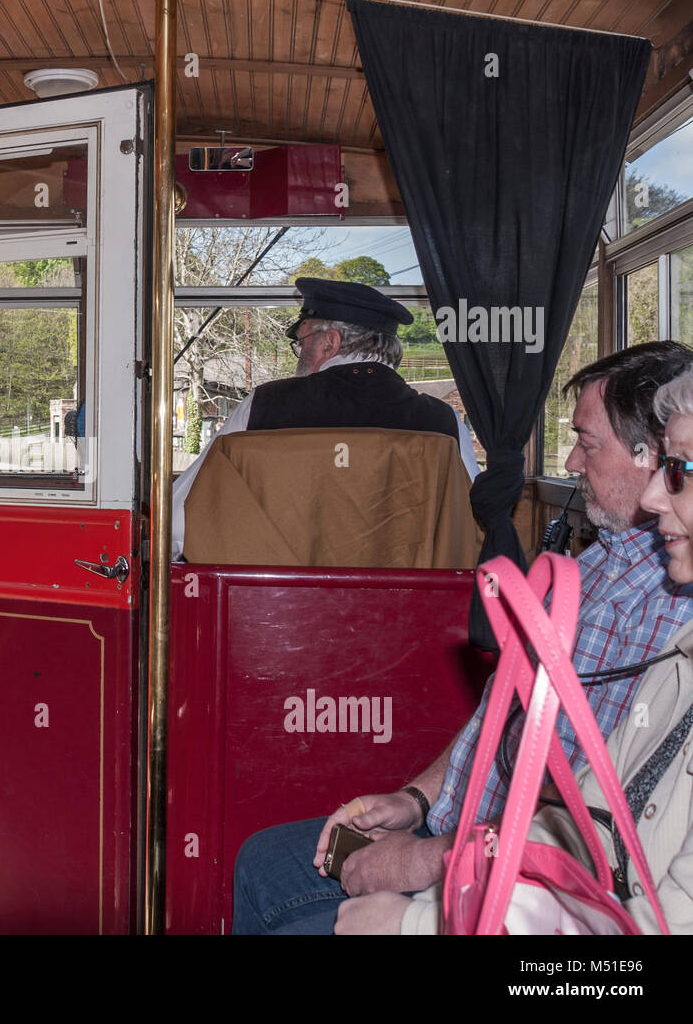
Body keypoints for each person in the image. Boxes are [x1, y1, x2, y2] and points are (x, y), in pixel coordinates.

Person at [231, 341, 693, 934]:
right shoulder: (594, 566)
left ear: (649, 456)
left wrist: (425, 862)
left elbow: (581, 822)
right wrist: (416, 799)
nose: (573, 463)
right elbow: (503, 720)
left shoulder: (667, 605)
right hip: (461, 828)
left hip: (506, 866)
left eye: (587, 441)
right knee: (259, 862)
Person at [172, 277, 480, 557]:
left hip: (279, 605)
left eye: (302, 342)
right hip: (408, 610)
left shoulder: (263, 406)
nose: (300, 351)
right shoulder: (445, 422)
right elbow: (470, 526)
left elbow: (183, 514)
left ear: (329, 342)